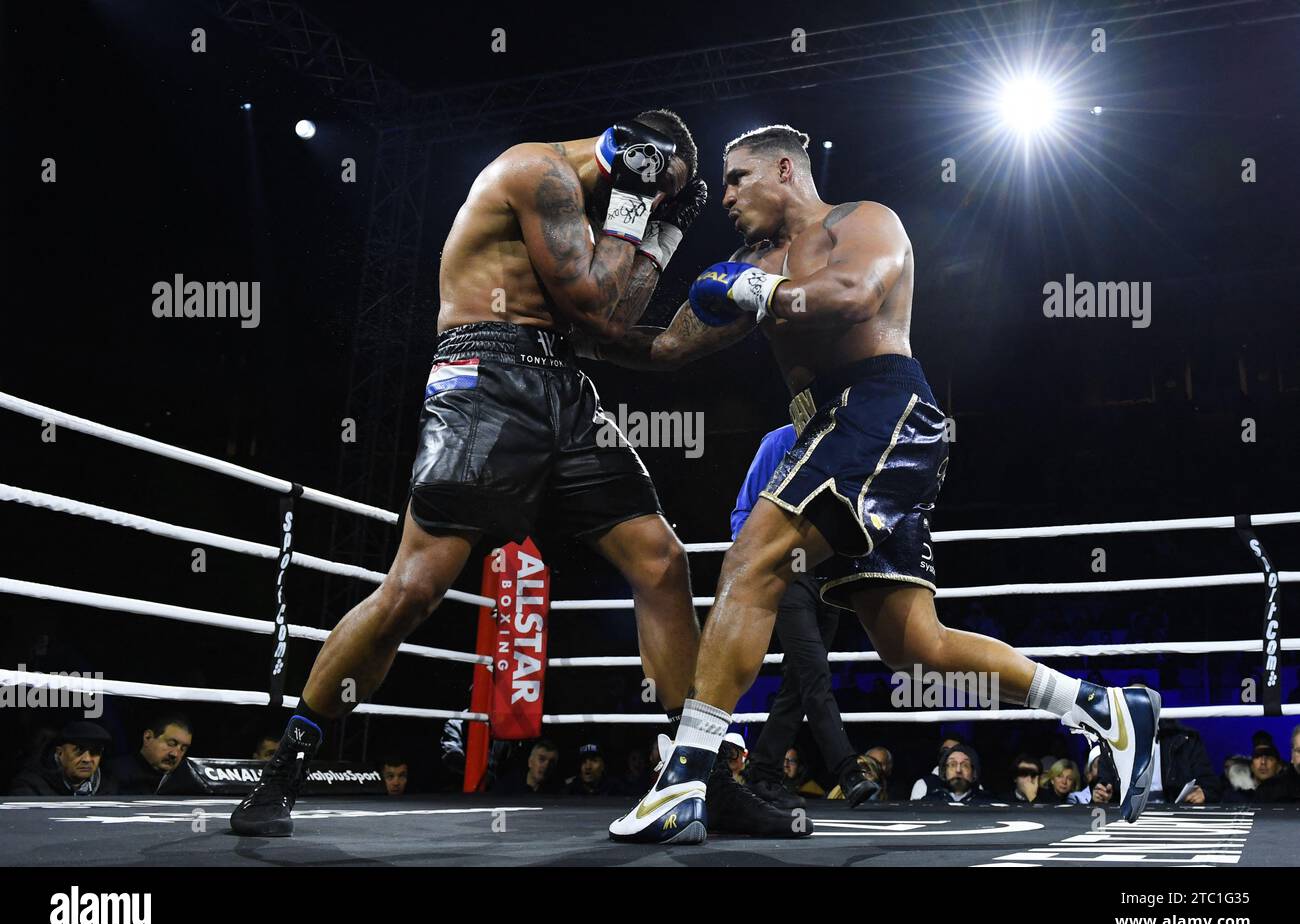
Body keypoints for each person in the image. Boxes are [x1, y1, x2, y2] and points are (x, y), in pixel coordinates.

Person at [606, 123, 1159, 844]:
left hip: (879, 406)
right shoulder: (749, 260)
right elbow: (667, 345)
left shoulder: (861, 222)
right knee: (911, 642)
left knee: (752, 561)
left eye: (739, 178)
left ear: (785, 169)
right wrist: (576, 325)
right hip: (829, 429)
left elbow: (854, 296)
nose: (728, 196)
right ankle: (1103, 708)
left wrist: (756, 290)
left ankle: (685, 780)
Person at [232, 112, 714, 837]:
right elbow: (592, 299)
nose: (648, 204)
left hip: (562, 385)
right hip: (485, 377)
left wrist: (665, 234)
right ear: (630, 152)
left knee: (662, 562)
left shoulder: (588, 212)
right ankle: (285, 770)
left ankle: (693, 774)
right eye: (652, 186)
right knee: (414, 589)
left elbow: (611, 322)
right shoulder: (537, 172)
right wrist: (637, 208)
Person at [730, 425, 877, 810]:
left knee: (798, 681)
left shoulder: (851, 438)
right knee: (814, 672)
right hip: (788, 575)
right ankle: (849, 771)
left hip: (831, 578)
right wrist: (760, 565)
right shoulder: (779, 441)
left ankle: (762, 773)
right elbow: (743, 511)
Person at [1096, 718, 1223, 806]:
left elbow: (1210, 784)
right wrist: (1102, 794)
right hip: (1125, 816)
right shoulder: (1112, 741)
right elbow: (1103, 784)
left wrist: (1204, 793)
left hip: (1174, 814)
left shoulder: (1185, 739)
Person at [8, 721, 118, 797]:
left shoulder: (109, 787)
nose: (87, 759)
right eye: (79, 751)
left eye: (95, 752)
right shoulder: (31, 787)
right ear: (60, 753)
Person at [114, 713, 193, 795]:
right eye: (171, 743)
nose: (175, 754)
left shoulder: (184, 784)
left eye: (183, 748)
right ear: (148, 737)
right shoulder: (115, 774)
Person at [920, 744, 989, 805]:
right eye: (952, 764)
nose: (958, 770)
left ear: (974, 772)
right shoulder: (929, 802)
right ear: (944, 771)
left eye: (965, 765)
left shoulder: (988, 802)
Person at [494, 739, 561, 796]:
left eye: (551, 762)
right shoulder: (507, 786)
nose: (546, 765)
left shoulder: (557, 793)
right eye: (542, 759)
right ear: (530, 761)